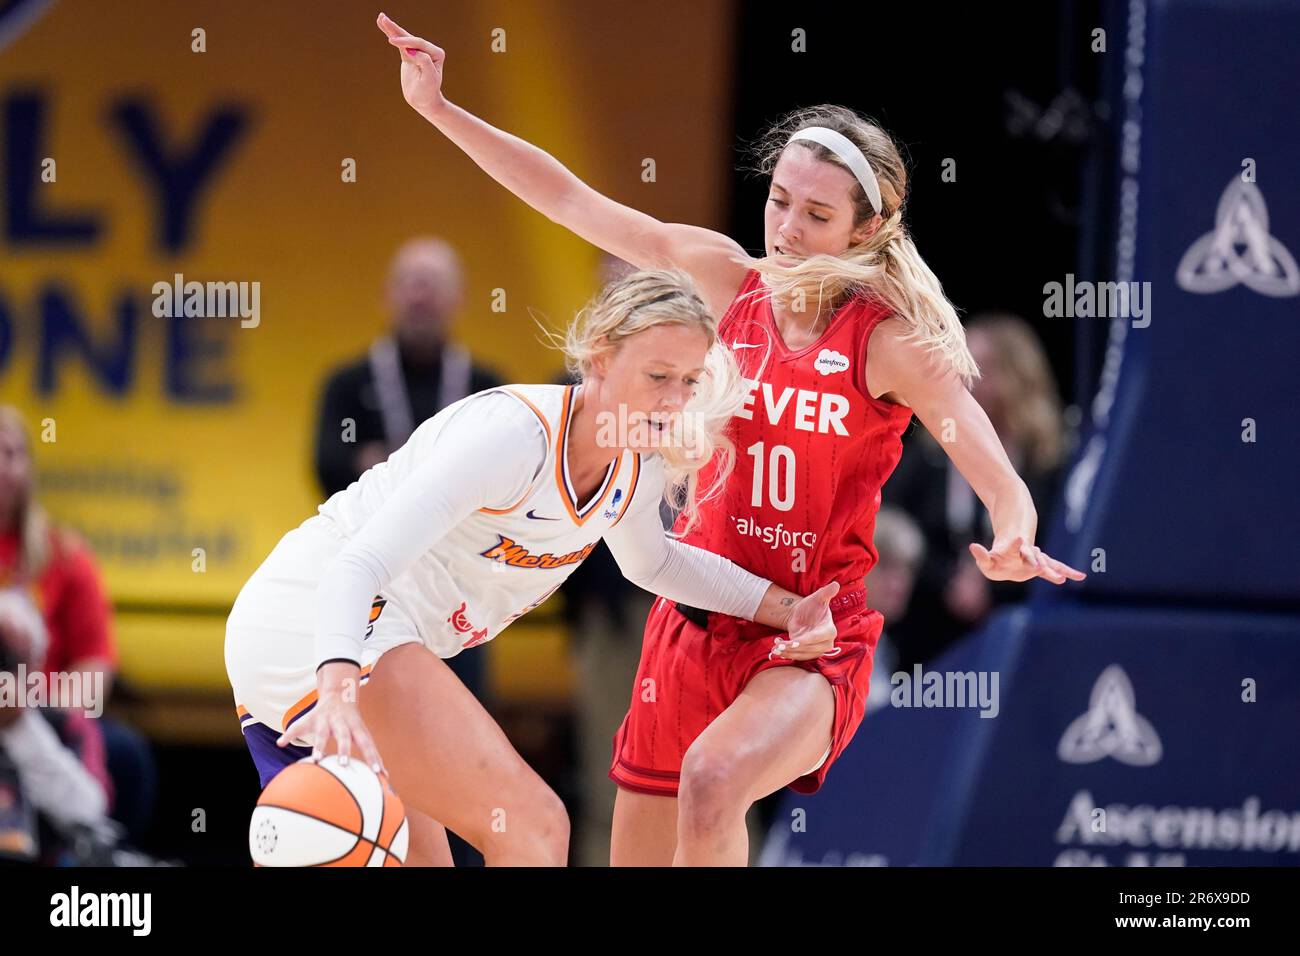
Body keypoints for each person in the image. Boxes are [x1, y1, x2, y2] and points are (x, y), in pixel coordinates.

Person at [375, 13, 1087, 867]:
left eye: (816, 214)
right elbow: (571, 202)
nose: (786, 228)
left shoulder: (887, 341)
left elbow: (981, 449)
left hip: (812, 632)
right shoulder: (722, 278)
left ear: (864, 231)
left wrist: (1013, 523)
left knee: (715, 777)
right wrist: (440, 108)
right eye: (779, 200)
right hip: (695, 619)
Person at [225, 268, 843, 866]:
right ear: (600, 356)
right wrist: (337, 688)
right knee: (533, 822)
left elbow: (653, 563)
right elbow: (356, 563)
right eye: (658, 375)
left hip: (365, 635)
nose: (675, 399)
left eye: (689, 381)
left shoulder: (633, 463)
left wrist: (786, 609)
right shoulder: (513, 436)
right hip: (317, 618)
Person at [882, 312, 1071, 670]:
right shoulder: (932, 452)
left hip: (1017, 621)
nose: (965, 378)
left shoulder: (1050, 458)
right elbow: (891, 525)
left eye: (980, 366)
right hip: (929, 628)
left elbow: (1059, 538)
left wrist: (994, 586)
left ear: (1017, 378)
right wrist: (948, 581)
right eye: (960, 363)